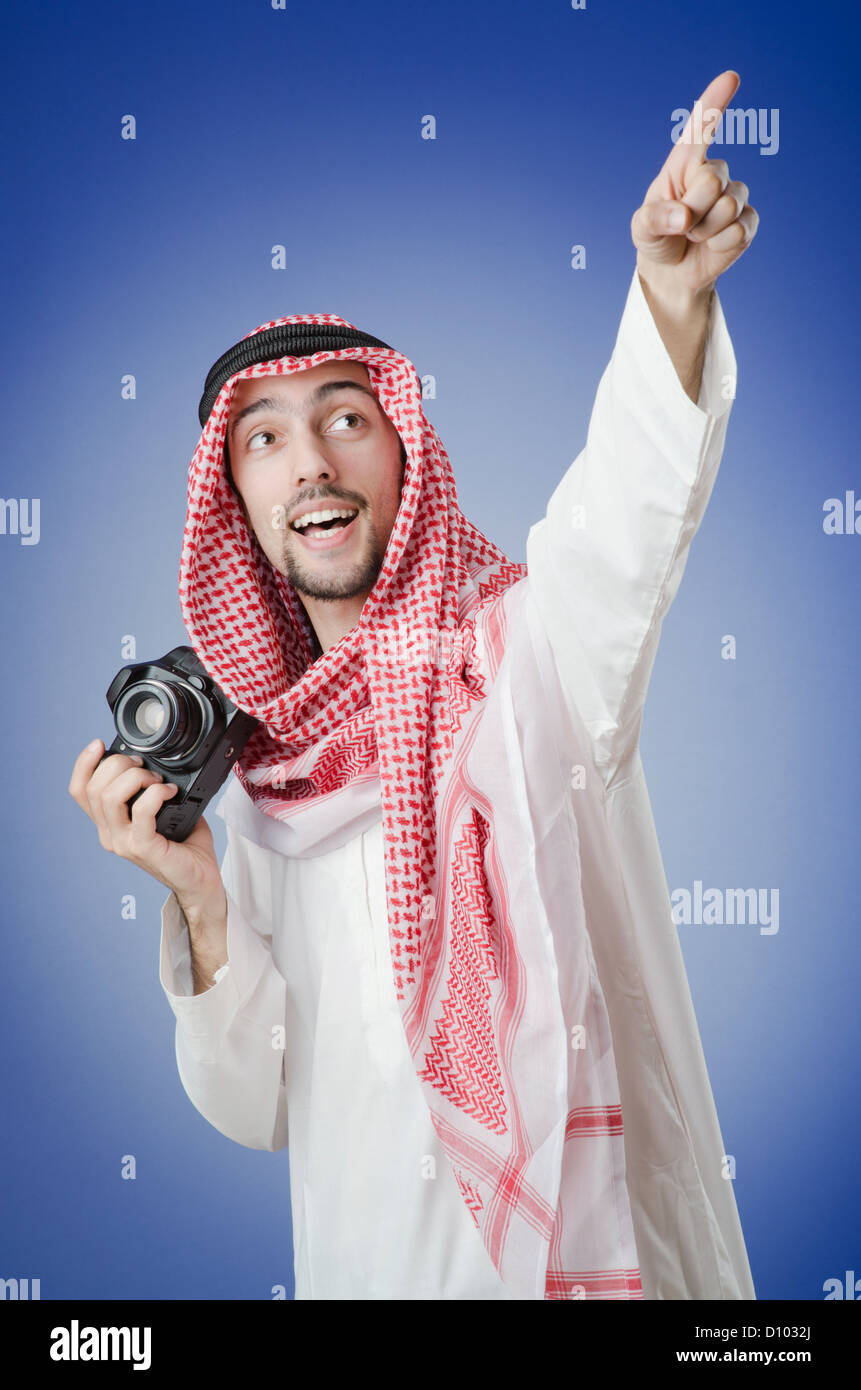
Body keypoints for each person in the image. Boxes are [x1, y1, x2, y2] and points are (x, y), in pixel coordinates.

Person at [70, 70, 759, 1300]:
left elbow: (624, 519)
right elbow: (259, 1108)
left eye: (347, 418)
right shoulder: (264, 780)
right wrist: (200, 899)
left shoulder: (531, 655)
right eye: (264, 439)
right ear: (236, 506)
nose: (311, 462)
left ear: (406, 452)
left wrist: (664, 303)